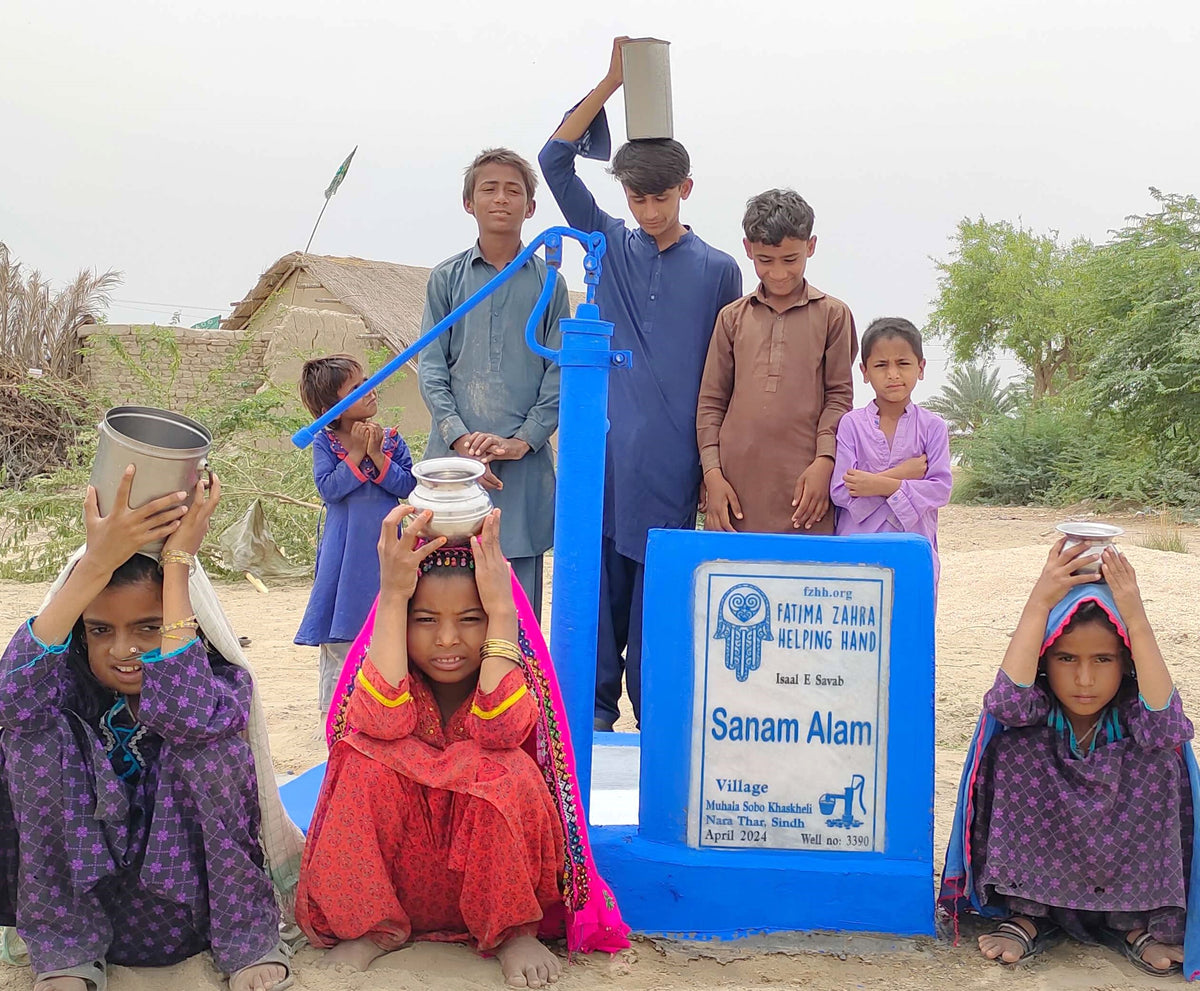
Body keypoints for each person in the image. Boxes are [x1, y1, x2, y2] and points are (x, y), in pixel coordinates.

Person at [0, 467, 304, 991]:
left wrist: (179, 564)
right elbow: (12, 701)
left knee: (205, 747)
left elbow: (186, 714)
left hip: (185, 916)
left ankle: (248, 941)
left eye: (149, 629)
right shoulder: (66, 689)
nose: (123, 650)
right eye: (101, 630)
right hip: (88, 913)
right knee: (31, 741)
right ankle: (66, 952)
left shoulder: (219, 686)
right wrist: (95, 562)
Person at [296, 508, 629, 987]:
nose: (447, 639)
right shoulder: (394, 666)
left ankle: (512, 933)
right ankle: (370, 928)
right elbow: (381, 721)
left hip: (492, 891)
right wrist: (392, 594)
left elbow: (499, 731)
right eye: (425, 619)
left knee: (503, 766)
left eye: (471, 619)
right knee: (360, 756)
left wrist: (503, 610)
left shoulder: (510, 673)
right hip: (399, 887)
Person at [539, 36, 743, 730]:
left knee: (661, 638)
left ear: (685, 190)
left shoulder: (718, 271)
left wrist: (714, 470)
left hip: (675, 473)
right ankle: (590, 736)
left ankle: (655, 743)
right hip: (602, 469)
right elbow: (554, 159)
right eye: (636, 197)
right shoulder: (605, 243)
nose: (648, 210)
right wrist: (609, 82)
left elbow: (723, 380)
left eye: (660, 197)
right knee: (594, 627)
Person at [940, 539, 1198, 977]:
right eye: (1066, 658)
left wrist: (1134, 616)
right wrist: (1041, 599)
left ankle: (1134, 924)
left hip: (1124, 874)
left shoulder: (1132, 711)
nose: (1084, 678)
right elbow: (1005, 704)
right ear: (1045, 661)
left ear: (1126, 663)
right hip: (1043, 876)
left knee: (1160, 761)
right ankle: (1028, 915)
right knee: (1013, 750)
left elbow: (1168, 729)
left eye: (1103, 659)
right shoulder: (1038, 709)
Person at [419, 148, 570, 620]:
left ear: (530, 208)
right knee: (443, 601)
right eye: (489, 188)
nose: (501, 198)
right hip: (450, 469)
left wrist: (521, 442)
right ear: (469, 203)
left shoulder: (550, 283)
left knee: (516, 609)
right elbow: (431, 366)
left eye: (514, 190)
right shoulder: (446, 278)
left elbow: (559, 372)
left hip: (521, 475)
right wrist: (460, 440)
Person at [698, 189, 857, 535]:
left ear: (810, 247)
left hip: (806, 492)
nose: (779, 273)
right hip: (734, 494)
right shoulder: (731, 319)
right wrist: (712, 476)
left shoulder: (834, 316)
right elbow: (711, 403)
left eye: (790, 259)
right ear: (748, 249)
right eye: (765, 260)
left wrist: (824, 463)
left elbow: (839, 398)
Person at [295, 354, 416, 716]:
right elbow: (330, 489)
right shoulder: (324, 443)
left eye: (367, 380)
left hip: (385, 553)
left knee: (393, 626)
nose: (370, 389)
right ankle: (336, 716)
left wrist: (377, 455)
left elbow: (407, 484)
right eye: (356, 387)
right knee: (342, 639)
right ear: (333, 406)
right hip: (343, 556)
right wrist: (359, 453)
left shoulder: (392, 440)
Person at [829, 317, 952, 590]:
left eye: (903, 364)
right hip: (858, 550)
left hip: (913, 548)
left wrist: (874, 484)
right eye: (881, 365)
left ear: (920, 368)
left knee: (910, 626)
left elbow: (940, 490)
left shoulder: (933, 427)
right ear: (864, 371)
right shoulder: (851, 424)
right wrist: (901, 476)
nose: (893, 374)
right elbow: (840, 491)